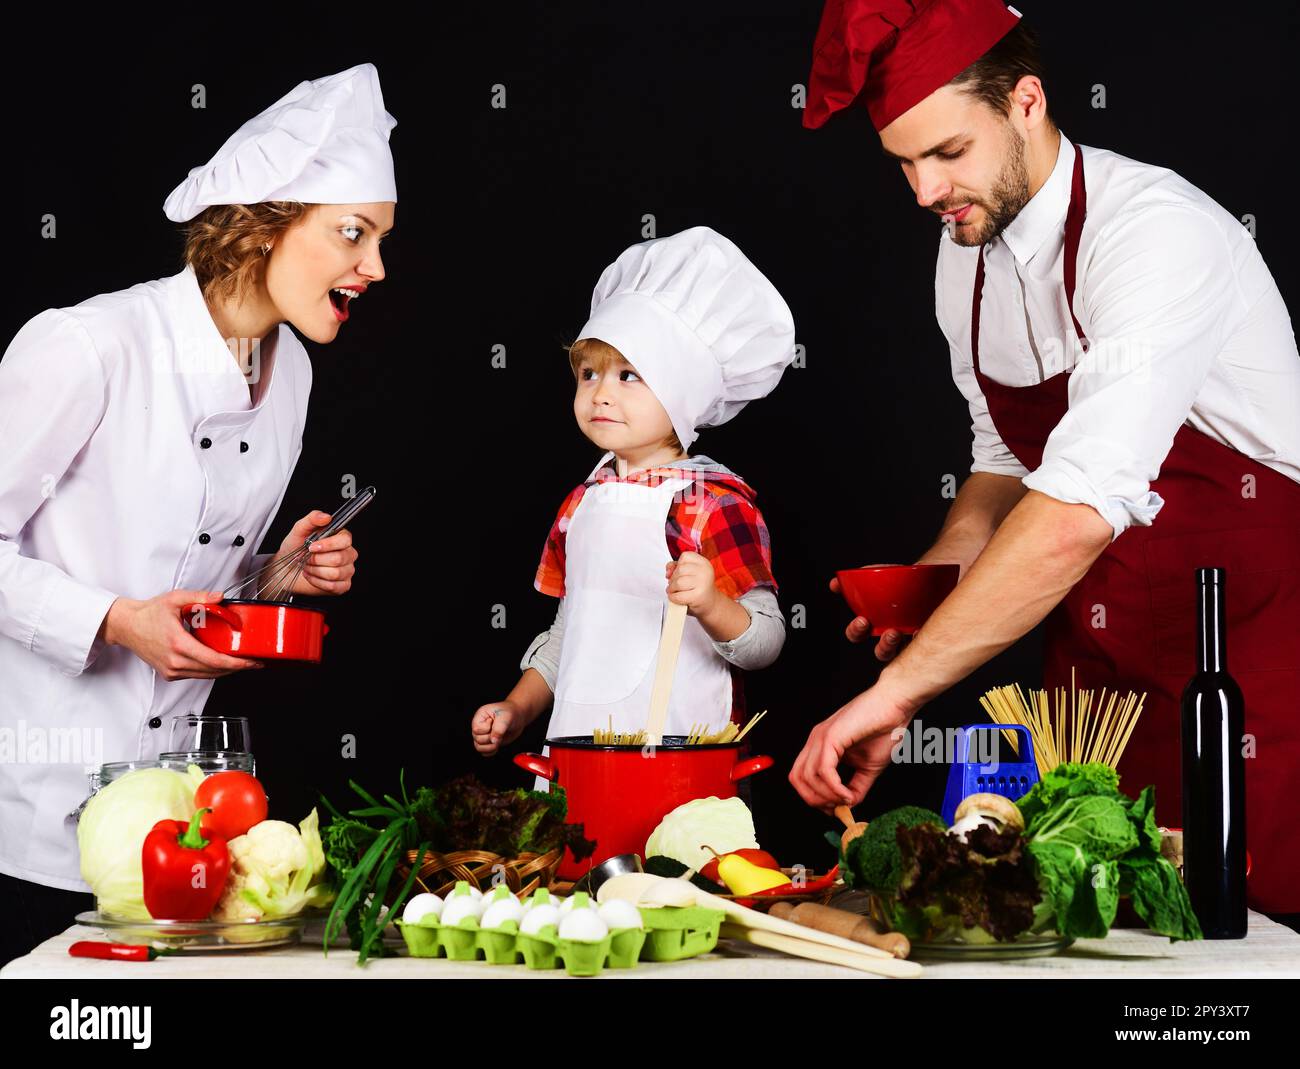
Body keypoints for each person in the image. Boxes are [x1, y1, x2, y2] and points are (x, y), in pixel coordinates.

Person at [791, 0, 1300, 917]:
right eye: (903, 163)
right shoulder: (966, 254)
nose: (923, 192)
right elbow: (1003, 465)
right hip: (1094, 685)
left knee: (1241, 948)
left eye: (947, 153)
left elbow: (1074, 507)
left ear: (1027, 101)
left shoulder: (1153, 234)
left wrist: (898, 693)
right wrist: (937, 587)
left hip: (1251, 675)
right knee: (1099, 933)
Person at [0, 62, 394, 963]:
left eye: (378, 239)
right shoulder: (90, 345)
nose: (375, 266)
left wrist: (274, 577)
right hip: (42, 816)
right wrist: (115, 621)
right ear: (263, 224)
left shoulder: (288, 368)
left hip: (191, 822)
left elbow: (189, 575)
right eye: (353, 233)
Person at [472, 226, 794, 774]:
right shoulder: (584, 502)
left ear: (682, 394)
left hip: (682, 764)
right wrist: (518, 708)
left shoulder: (715, 504)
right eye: (589, 373)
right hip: (578, 761)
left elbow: (766, 643)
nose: (600, 392)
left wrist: (714, 605)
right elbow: (568, 636)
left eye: (629, 376)